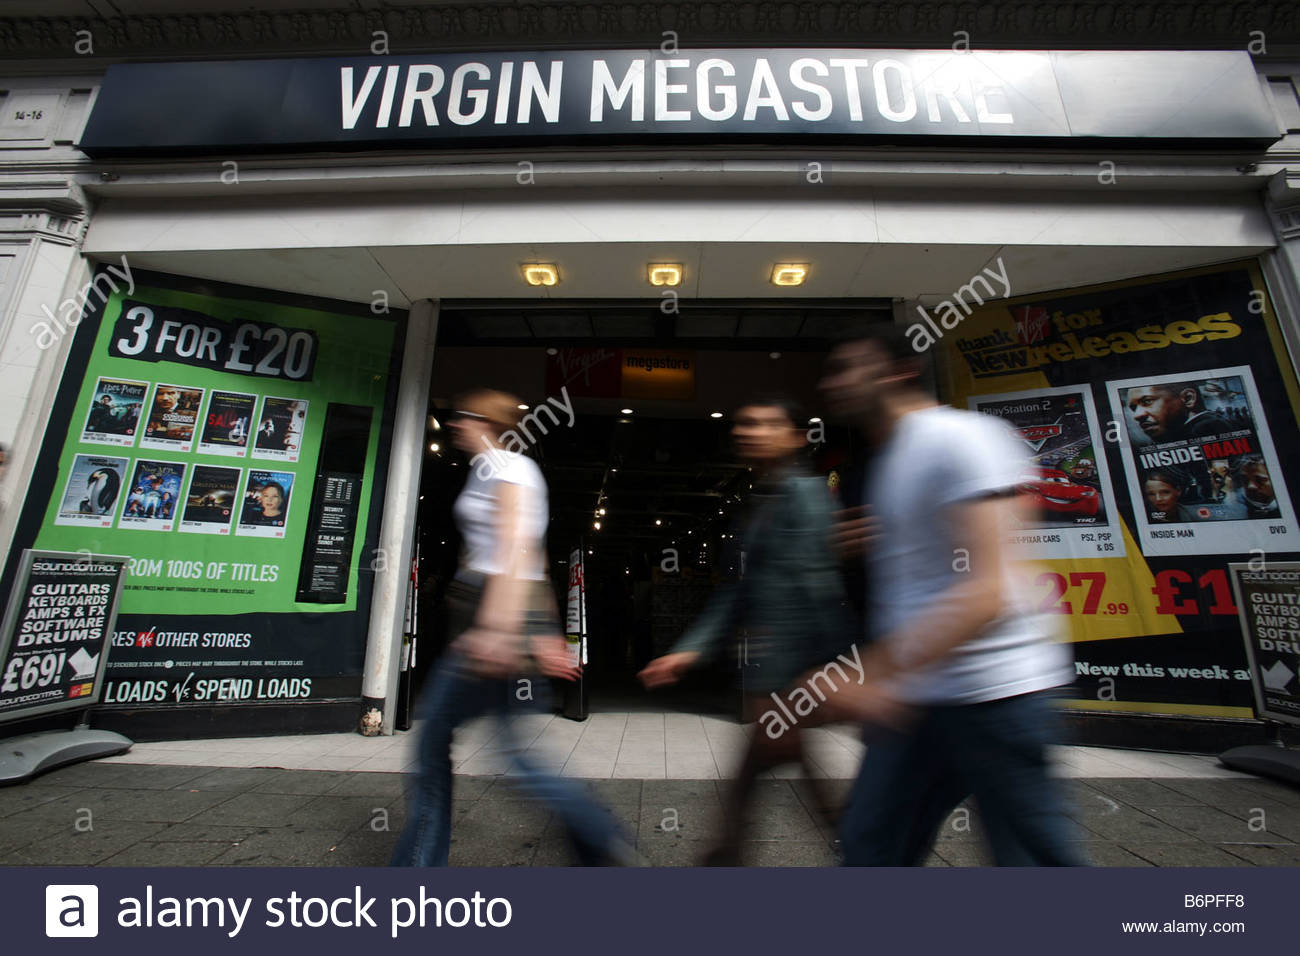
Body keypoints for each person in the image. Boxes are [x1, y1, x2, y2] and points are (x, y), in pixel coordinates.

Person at [813, 329, 1085, 867]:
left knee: (1036, 864)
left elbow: (993, 588)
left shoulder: (961, 438)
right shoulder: (889, 459)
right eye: (832, 370)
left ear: (900, 369)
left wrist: (868, 670)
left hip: (998, 697)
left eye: (849, 366)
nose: (834, 382)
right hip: (919, 704)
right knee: (870, 849)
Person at [390, 388, 636, 867]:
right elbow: (534, 557)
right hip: (501, 612)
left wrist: (497, 629)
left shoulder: (504, 468)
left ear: (485, 422)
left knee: (435, 740)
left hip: (492, 613)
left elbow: (512, 548)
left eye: (463, 416)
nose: (456, 424)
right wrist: (544, 630)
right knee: (516, 751)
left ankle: (416, 869)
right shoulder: (498, 471)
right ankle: (599, 839)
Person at [638, 395, 853, 865]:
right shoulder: (759, 499)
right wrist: (688, 651)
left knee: (758, 777)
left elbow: (817, 591)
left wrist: (808, 678)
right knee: (771, 778)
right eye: (743, 424)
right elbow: (737, 592)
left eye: (763, 423)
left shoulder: (808, 496)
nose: (747, 431)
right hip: (782, 677)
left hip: (791, 676)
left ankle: (729, 858)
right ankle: (732, 855)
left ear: (797, 436)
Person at [1124, 383, 1230, 443]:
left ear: (1188, 398)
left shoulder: (1210, 428)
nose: (1137, 415)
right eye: (1134, 408)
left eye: (1147, 401)